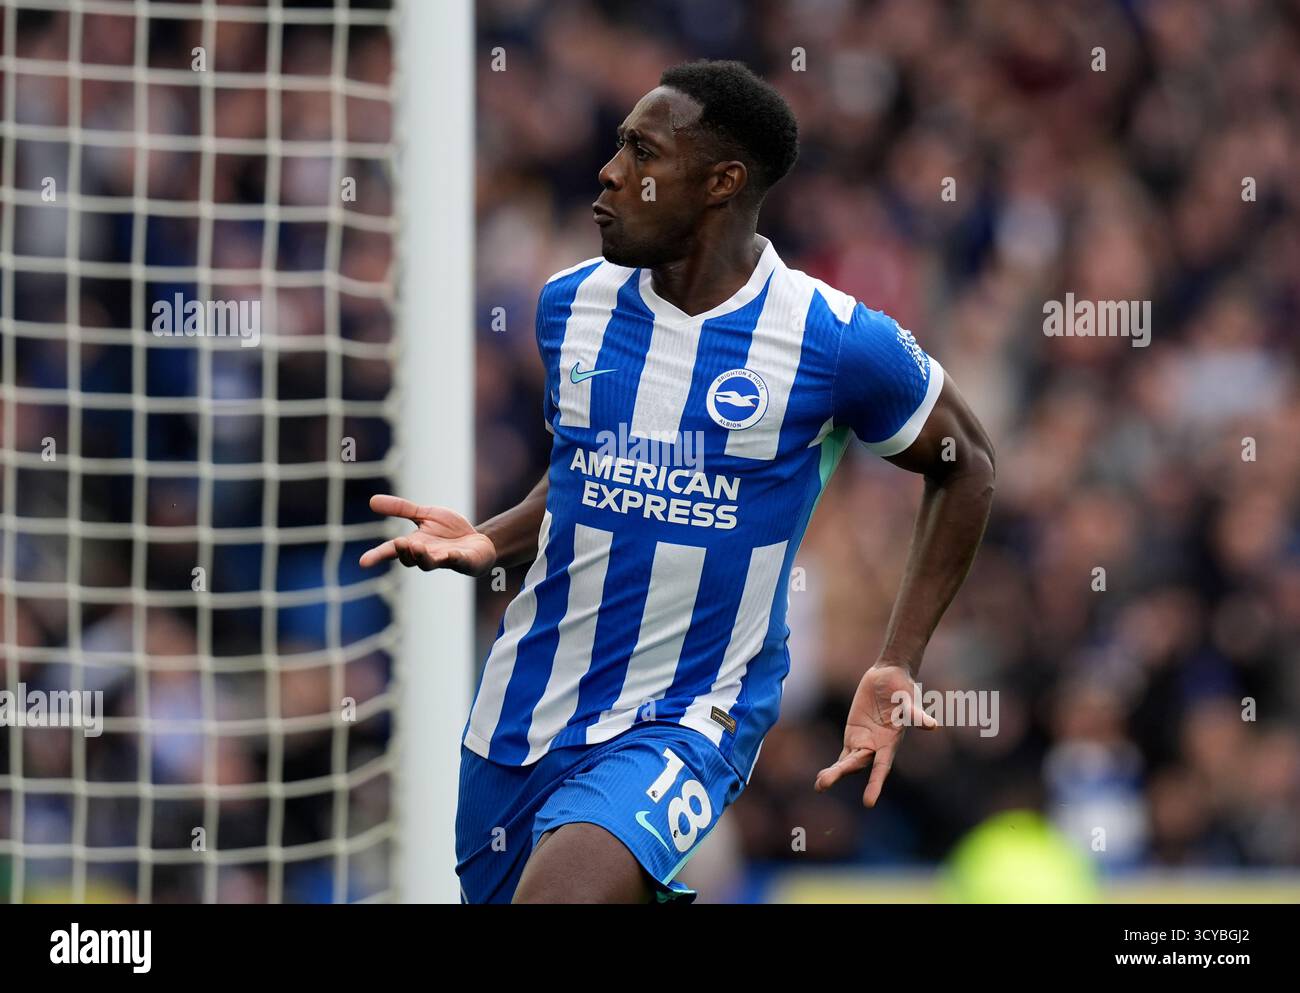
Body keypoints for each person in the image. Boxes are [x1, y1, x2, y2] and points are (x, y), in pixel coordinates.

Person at [361, 59, 995, 903]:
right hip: (522, 709)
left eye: (642, 152)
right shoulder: (568, 305)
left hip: (690, 716)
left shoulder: (830, 336)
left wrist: (898, 659)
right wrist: (493, 536)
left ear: (720, 182)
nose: (609, 170)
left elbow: (969, 465)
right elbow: (587, 472)